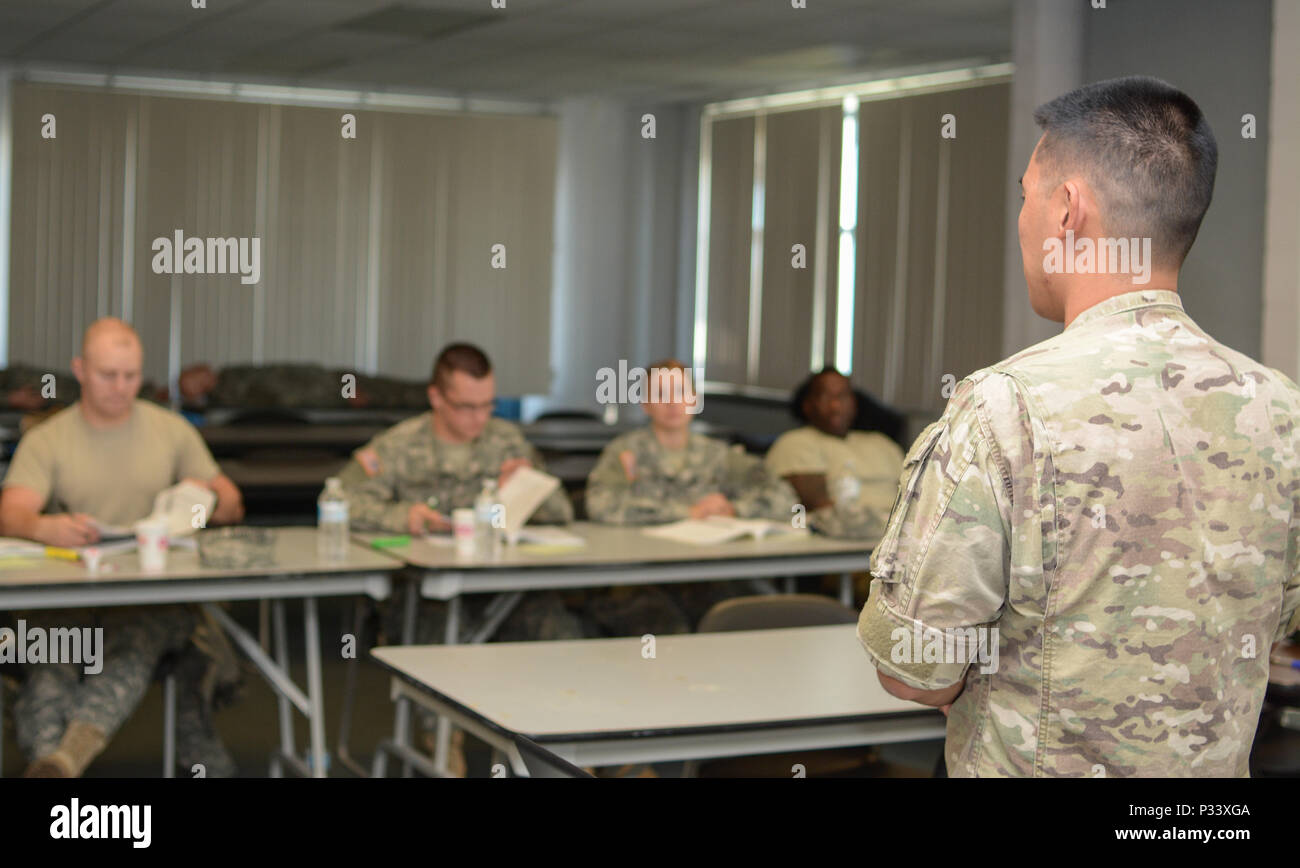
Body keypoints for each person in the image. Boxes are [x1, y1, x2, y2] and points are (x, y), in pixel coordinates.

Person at [856, 76, 1300, 777]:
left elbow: (917, 672)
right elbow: (1273, 628)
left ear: (1067, 211)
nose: (1023, 220)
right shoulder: (1281, 410)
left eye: (1025, 197)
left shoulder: (1003, 407)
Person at [0, 318, 246, 777]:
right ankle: (55, 764)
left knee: (135, 641)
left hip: (152, 598)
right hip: (67, 596)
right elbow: (11, 513)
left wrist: (201, 503)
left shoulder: (171, 431)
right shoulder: (48, 438)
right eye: (107, 375)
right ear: (80, 369)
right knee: (51, 661)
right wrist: (43, 527)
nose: (120, 387)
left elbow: (231, 504)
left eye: (131, 376)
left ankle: (61, 764)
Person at [585, 360, 799, 633]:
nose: (672, 403)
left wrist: (734, 508)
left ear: (694, 399)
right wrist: (687, 512)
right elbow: (599, 504)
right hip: (639, 578)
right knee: (666, 628)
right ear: (644, 403)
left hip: (708, 573)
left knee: (757, 617)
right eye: (660, 394)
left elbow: (785, 498)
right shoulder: (625, 452)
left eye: (680, 392)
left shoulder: (718, 455)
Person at [766, 367, 904, 542]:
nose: (836, 406)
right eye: (826, 397)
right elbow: (821, 511)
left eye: (843, 396)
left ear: (854, 403)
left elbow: (921, 497)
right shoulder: (796, 443)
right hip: (849, 543)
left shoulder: (882, 443)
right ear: (808, 405)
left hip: (906, 541)